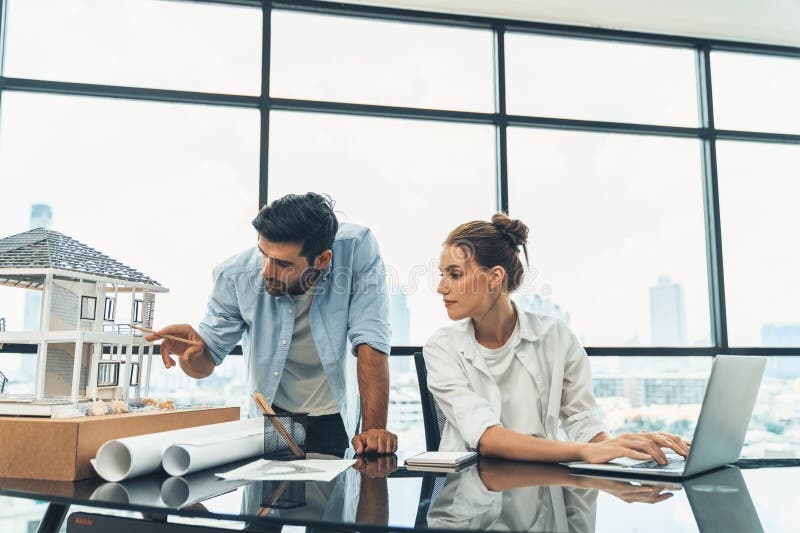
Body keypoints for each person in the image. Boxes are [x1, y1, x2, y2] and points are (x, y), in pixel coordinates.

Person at [423, 213, 690, 464]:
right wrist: (587, 451)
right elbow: (487, 438)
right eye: (442, 274)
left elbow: (582, 420)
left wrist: (621, 450)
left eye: (455, 274)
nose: (440, 287)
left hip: (544, 489)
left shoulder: (557, 337)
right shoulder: (441, 348)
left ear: (495, 277)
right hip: (470, 497)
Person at [148, 193, 397, 456]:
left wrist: (373, 431)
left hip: (335, 413)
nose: (266, 271)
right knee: (267, 494)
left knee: (338, 491)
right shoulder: (235, 276)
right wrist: (193, 353)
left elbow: (371, 338)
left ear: (322, 260)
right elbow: (201, 368)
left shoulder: (357, 250)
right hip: (273, 415)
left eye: (283, 264)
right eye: (263, 254)